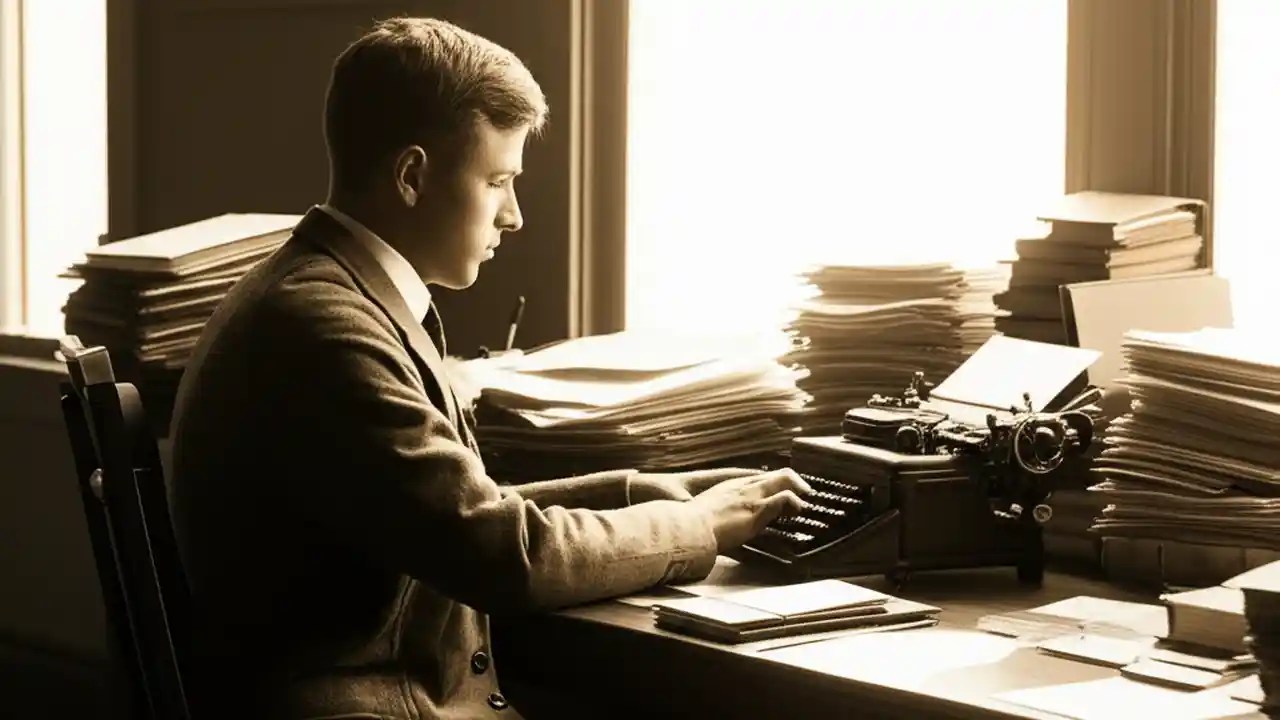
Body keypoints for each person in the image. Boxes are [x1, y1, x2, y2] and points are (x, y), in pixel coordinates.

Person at [167, 16, 810, 719]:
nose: (514, 217)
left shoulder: (323, 292)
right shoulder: (325, 327)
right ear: (412, 175)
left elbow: (454, 510)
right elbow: (500, 555)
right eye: (498, 180)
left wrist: (634, 491)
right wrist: (698, 529)